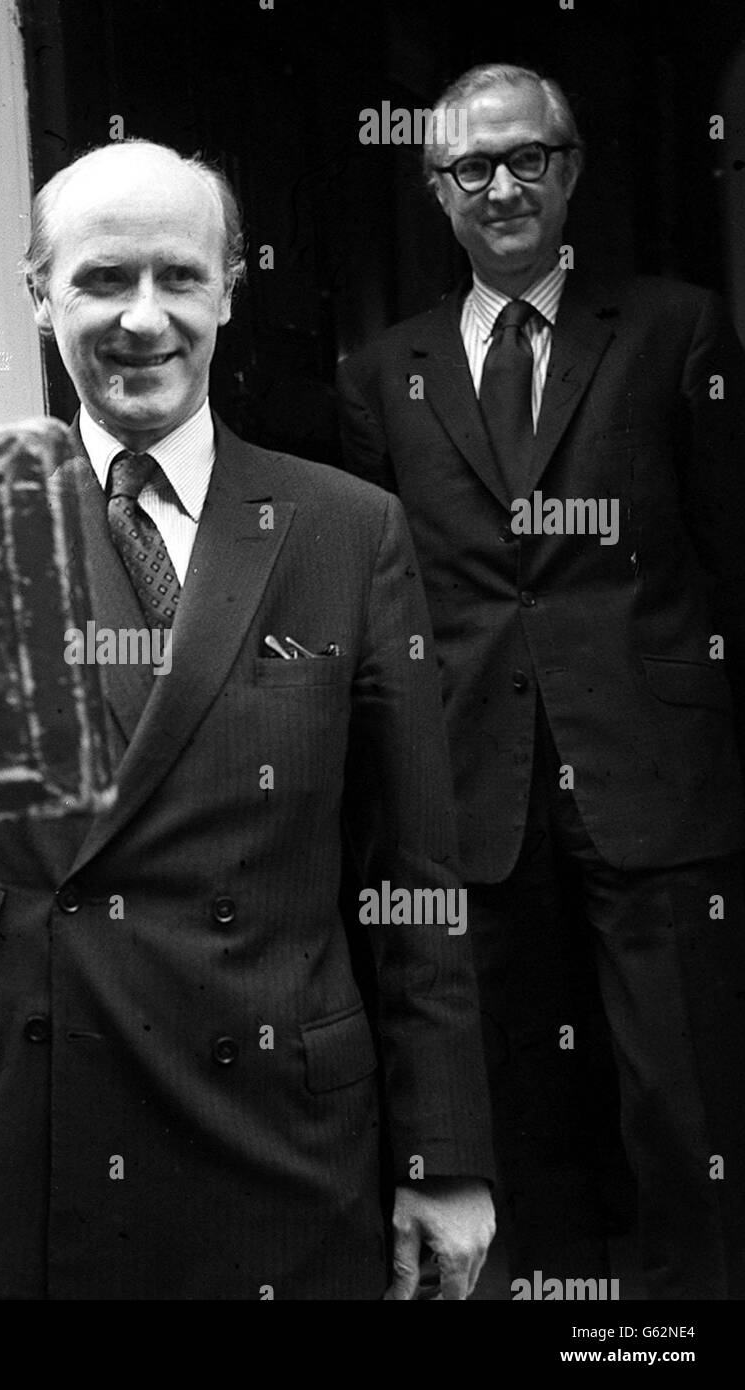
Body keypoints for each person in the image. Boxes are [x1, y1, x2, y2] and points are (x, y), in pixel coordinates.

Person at [0, 139, 494, 1299]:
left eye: (178, 277)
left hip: (272, 1142)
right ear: (38, 295)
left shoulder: (346, 529)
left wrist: (444, 1152)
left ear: (229, 286)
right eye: (102, 280)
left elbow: (415, 867)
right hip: (20, 1140)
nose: (143, 318)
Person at [336, 63, 745, 1299]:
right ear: (435, 189)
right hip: (473, 785)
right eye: (473, 166)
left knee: (686, 1108)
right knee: (512, 1111)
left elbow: (730, 552)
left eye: (527, 159)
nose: (501, 185)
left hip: (653, 774)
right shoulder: (380, 370)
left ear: (568, 170)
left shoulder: (678, 326)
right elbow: (384, 601)